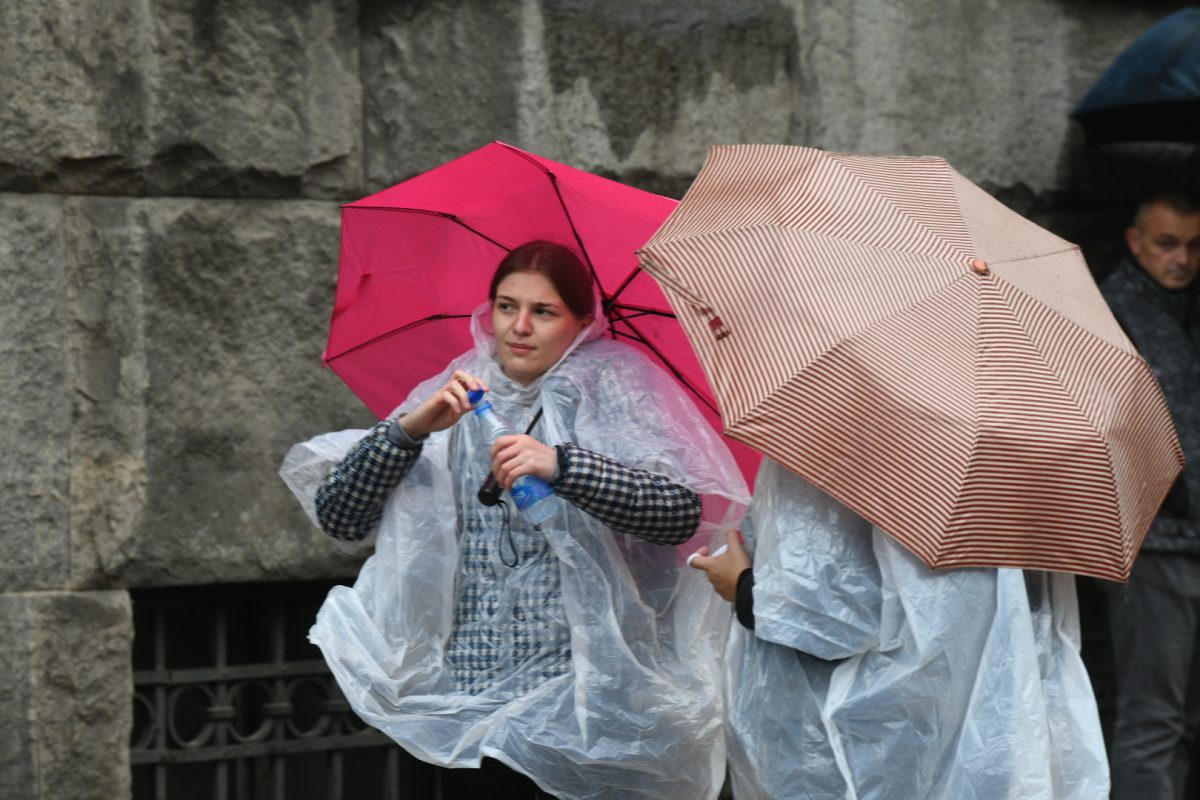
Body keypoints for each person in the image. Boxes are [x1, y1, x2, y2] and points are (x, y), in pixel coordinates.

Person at [280, 241, 747, 800]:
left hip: (583, 698)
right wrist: (411, 430)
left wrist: (562, 465)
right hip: (467, 698)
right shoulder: (459, 387)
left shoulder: (614, 386)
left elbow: (677, 511)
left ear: (581, 320)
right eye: (506, 306)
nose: (519, 327)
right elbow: (340, 514)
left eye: (543, 312)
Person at [689, 458, 1111, 799]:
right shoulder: (1014, 451)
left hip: (854, 744)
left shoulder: (833, 434)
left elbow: (824, 619)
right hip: (969, 726)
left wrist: (742, 586)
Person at [1099, 189, 1200, 800]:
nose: (1182, 258)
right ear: (1136, 241)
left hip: (1186, 531)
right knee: (1152, 717)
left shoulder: (1189, 307)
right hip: (1155, 537)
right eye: (1167, 243)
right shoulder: (1109, 312)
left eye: (1194, 245)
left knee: (1181, 717)